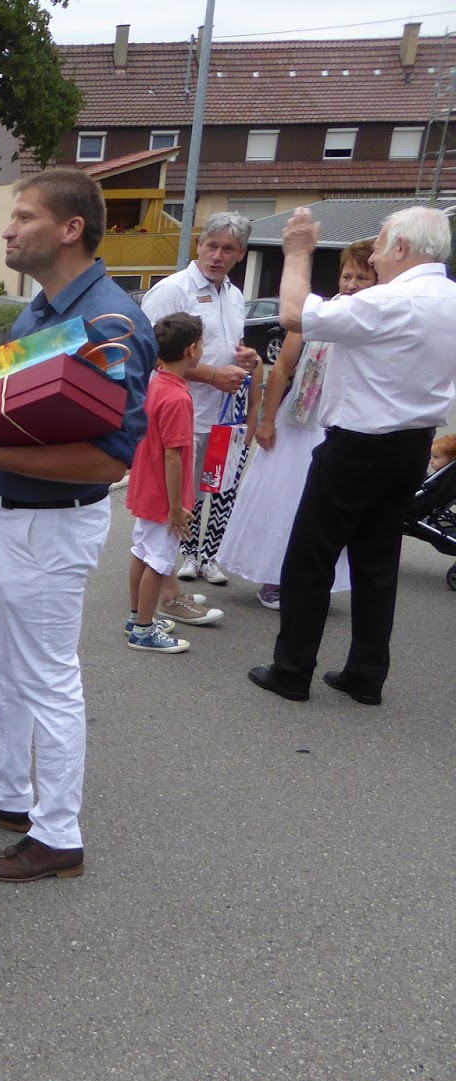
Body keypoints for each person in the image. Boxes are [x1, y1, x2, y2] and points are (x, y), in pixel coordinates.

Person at [0, 168, 154, 883]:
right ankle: (7, 790)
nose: (8, 229)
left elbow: (106, 460)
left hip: (53, 526)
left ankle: (58, 834)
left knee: (49, 677)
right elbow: (28, 412)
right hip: (9, 516)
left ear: (70, 229)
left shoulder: (110, 324)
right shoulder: (42, 311)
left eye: (24, 217)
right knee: (0, 658)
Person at [248, 206, 456, 706]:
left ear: (401, 247)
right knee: (377, 563)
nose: (375, 258)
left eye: (381, 245)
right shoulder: (450, 298)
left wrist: (298, 251)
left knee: (310, 558)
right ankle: (366, 674)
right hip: (413, 443)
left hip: (358, 444)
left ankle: (291, 670)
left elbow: (294, 315)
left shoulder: (388, 301)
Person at [220, 241, 376, 607]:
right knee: (284, 502)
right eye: (347, 276)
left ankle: (315, 580)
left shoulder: (377, 320)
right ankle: (274, 577)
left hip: (344, 424)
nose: (352, 285)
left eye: (362, 278)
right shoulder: (319, 315)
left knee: (332, 511)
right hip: (300, 422)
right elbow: (282, 370)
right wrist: (267, 420)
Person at [141, 213, 264, 606]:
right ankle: (165, 589)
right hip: (180, 411)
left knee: (214, 492)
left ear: (241, 253)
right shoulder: (171, 290)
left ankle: (197, 559)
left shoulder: (234, 294)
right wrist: (211, 374)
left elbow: (228, 346)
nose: (217, 255)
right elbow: (150, 355)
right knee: (172, 499)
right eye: (212, 245)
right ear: (198, 244)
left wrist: (245, 358)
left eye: (228, 249)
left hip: (222, 413)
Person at [124, 313, 201, 654]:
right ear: (191, 350)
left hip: (146, 488)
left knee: (141, 552)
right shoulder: (178, 398)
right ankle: (143, 630)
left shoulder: (154, 383)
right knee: (159, 560)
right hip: (164, 497)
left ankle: (136, 618)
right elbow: (174, 456)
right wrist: (176, 508)